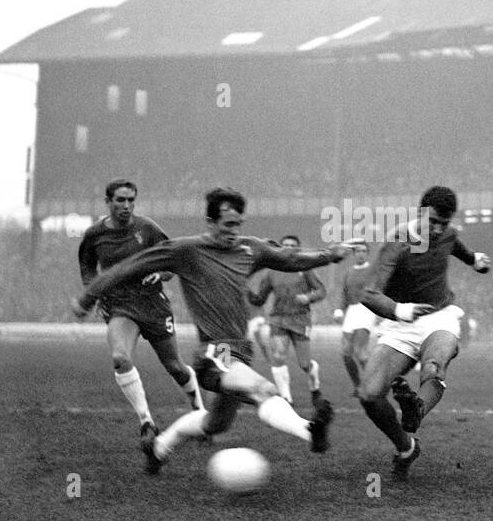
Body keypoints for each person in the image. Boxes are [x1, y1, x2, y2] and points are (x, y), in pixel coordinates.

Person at [72, 187, 360, 474]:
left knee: (215, 424)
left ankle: (158, 449)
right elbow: (128, 268)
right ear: (210, 222)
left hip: (240, 353)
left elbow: (291, 259)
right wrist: (88, 297)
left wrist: (329, 255)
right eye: (227, 225)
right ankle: (311, 432)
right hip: (215, 351)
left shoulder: (250, 249)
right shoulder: (186, 251)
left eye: (237, 224)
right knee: (265, 389)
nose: (233, 231)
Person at [358, 186, 490, 479]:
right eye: (432, 221)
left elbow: (460, 250)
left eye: (444, 222)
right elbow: (369, 294)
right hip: (401, 321)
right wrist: (400, 310)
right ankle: (406, 447)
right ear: (419, 213)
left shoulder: (448, 234)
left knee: (434, 365)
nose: (438, 228)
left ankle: (416, 408)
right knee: (369, 395)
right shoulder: (398, 241)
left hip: (440, 317)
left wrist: (476, 262)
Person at [78, 180, 204, 458]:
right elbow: (87, 266)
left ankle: (200, 411)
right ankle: (146, 422)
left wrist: (160, 273)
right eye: (120, 200)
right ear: (107, 202)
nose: (126, 206)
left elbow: (174, 262)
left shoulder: (147, 228)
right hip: (121, 307)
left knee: (175, 366)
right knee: (120, 358)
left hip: (153, 305)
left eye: (131, 201)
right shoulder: (94, 235)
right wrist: (94, 290)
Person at [247, 234, 326, 405]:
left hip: (300, 319)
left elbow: (321, 291)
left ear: (297, 250)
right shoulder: (271, 272)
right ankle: (285, 397)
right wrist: (245, 289)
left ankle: (315, 388)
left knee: (305, 364)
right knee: (278, 356)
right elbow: (259, 299)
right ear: (279, 249)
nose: (288, 248)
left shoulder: (305, 269)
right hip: (278, 318)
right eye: (285, 245)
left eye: (292, 245)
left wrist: (308, 297)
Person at [333, 241, 378, 396]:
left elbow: (380, 290)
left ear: (367, 253)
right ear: (353, 254)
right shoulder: (349, 272)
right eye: (357, 251)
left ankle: (372, 384)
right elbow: (344, 293)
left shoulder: (373, 270)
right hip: (352, 311)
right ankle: (358, 385)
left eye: (364, 251)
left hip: (366, 310)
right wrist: (340, 309)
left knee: (360, 352)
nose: (360, 254)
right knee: (346, 353)